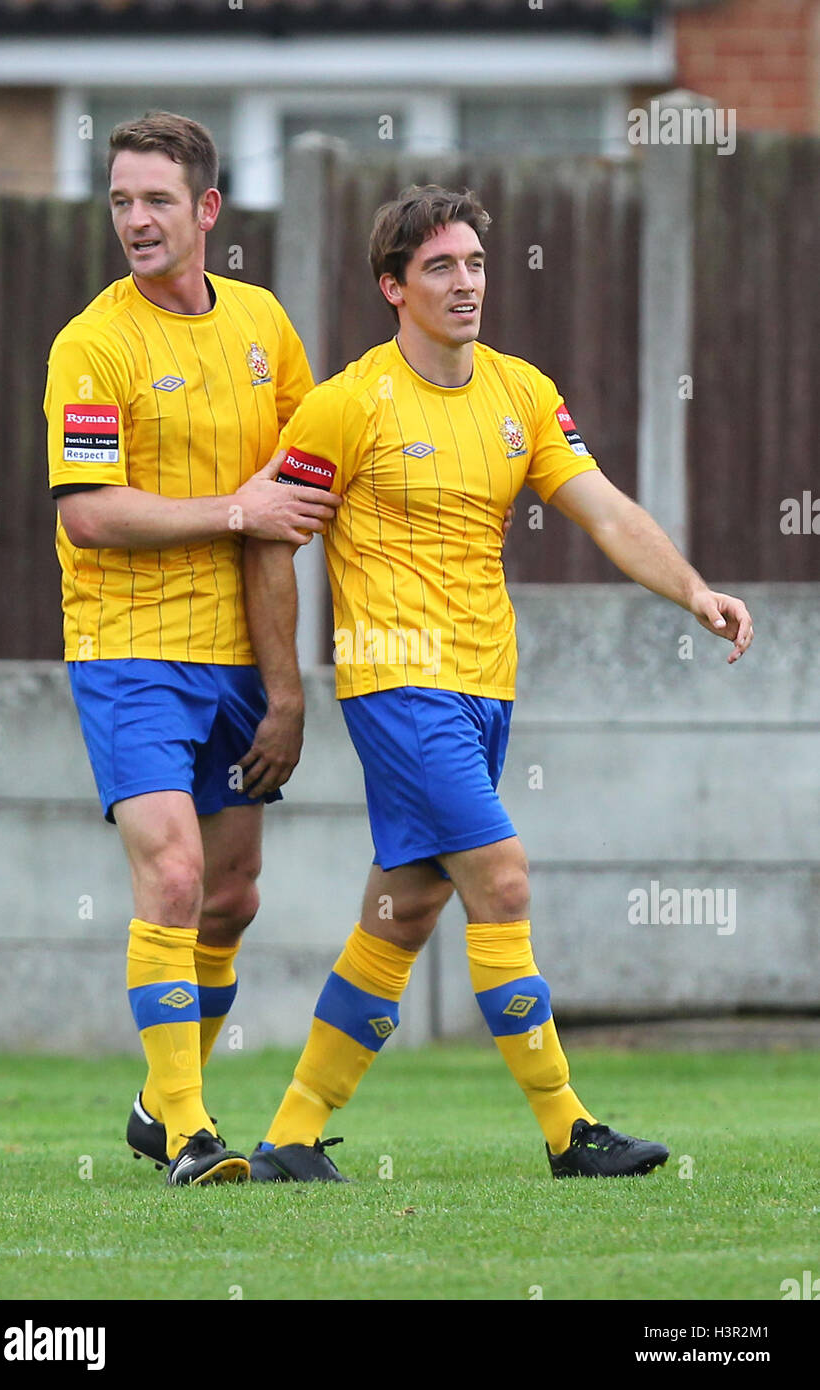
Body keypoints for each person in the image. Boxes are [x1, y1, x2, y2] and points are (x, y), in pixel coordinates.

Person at [243, 183, 754, 1182]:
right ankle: (568, 1129)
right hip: (394, 685)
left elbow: (601, 510)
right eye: (438, 266)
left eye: (474, 263)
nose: (465, 283)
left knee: (403, 910)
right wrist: (288, 692)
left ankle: (290, 1137)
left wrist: (692, 590)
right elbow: (269, 543)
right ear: (393, 286)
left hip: (485, 687)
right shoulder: (344, 404)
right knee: (502, 877)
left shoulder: (520, 391)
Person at [43, 112, 340, 1185]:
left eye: (156, 199)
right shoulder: (91, 343)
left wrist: (286, 688)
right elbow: (88, 513)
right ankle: (189, 1130)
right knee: (169, 871)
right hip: (126, 650)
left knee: (231, 895)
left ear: (206, 208)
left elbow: (304, 491)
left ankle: (154, 1100)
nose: (134, 219)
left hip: (235, 656)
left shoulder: (263, 327)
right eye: (120, 200)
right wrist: (233, 510)